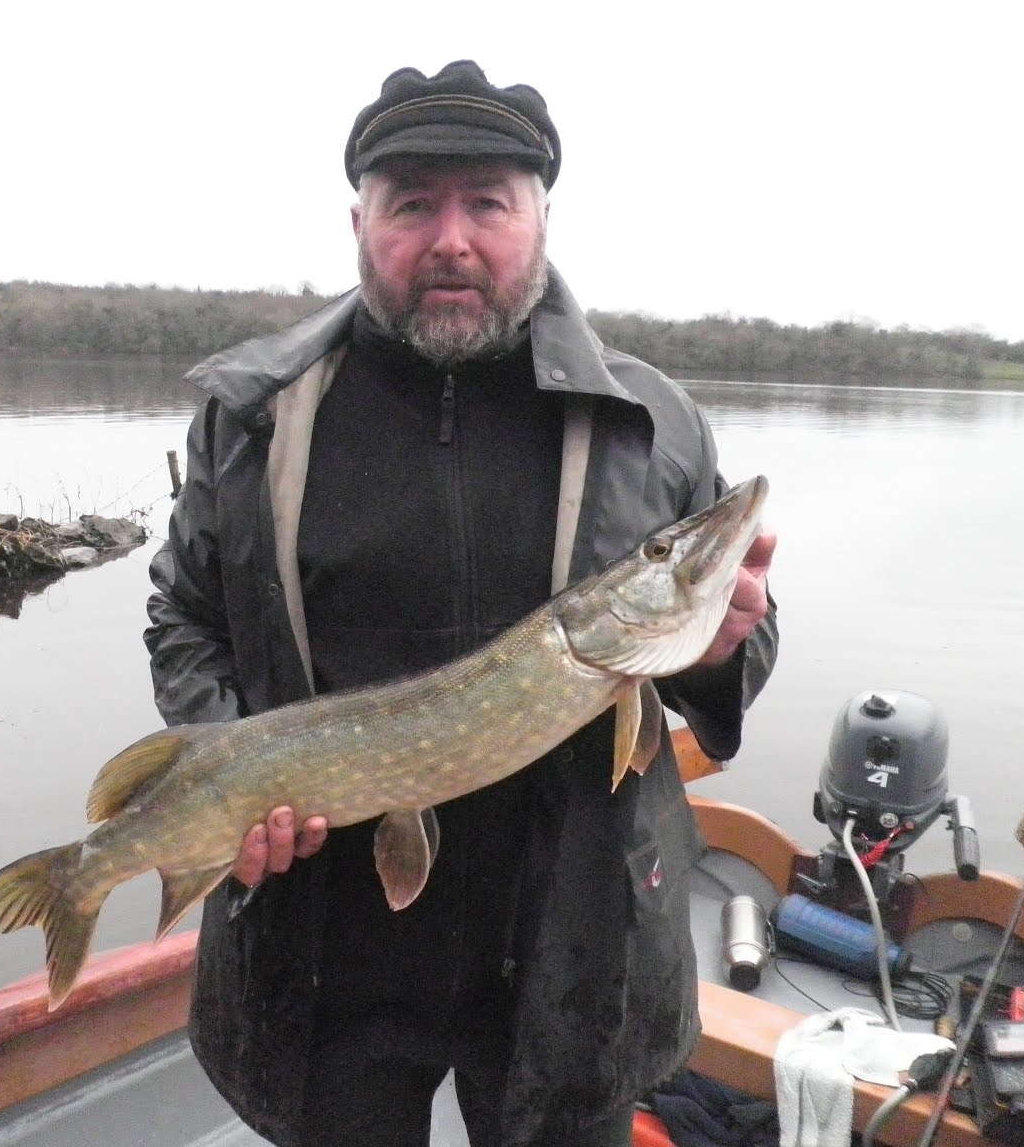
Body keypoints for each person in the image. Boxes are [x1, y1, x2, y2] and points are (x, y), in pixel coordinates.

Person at [145, 59, 778, 1147]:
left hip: (575, 949)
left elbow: (734, 661)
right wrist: (230, 767)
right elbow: (185, 618)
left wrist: (723, 647)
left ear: (540, 219)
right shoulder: (254, 417)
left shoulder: (650, 421)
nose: (451, 239)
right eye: (412, 205)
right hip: (319, 955)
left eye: (487, 202)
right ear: (360, 223)